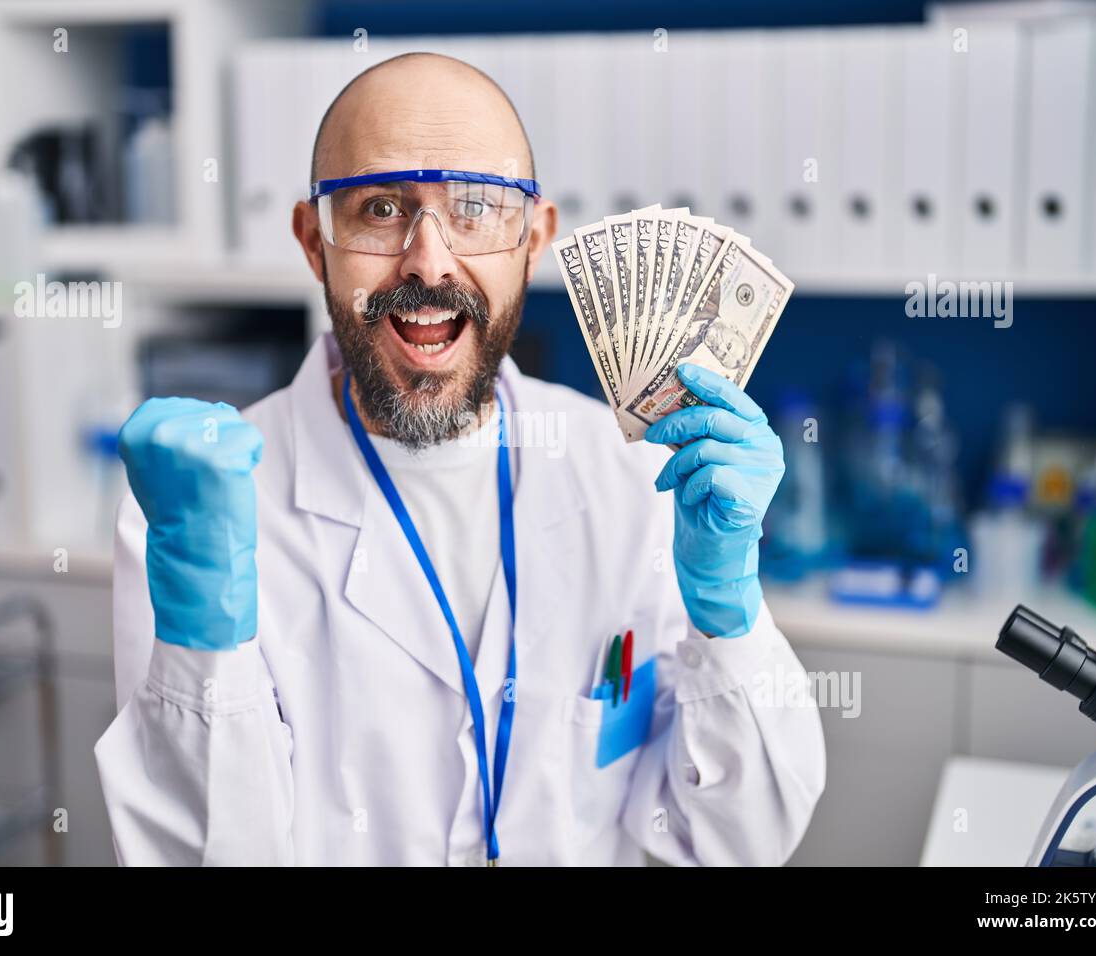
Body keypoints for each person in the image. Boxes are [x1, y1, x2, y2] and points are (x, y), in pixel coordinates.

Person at [94, 52, 824, 866]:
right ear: (315, 243)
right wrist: (205, 648)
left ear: (535, 239)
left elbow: (736, 842)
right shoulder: (203, 516)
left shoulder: (632, 476)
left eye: (474, 209)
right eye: (379, 208)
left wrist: (729, 616)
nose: (430, 262)